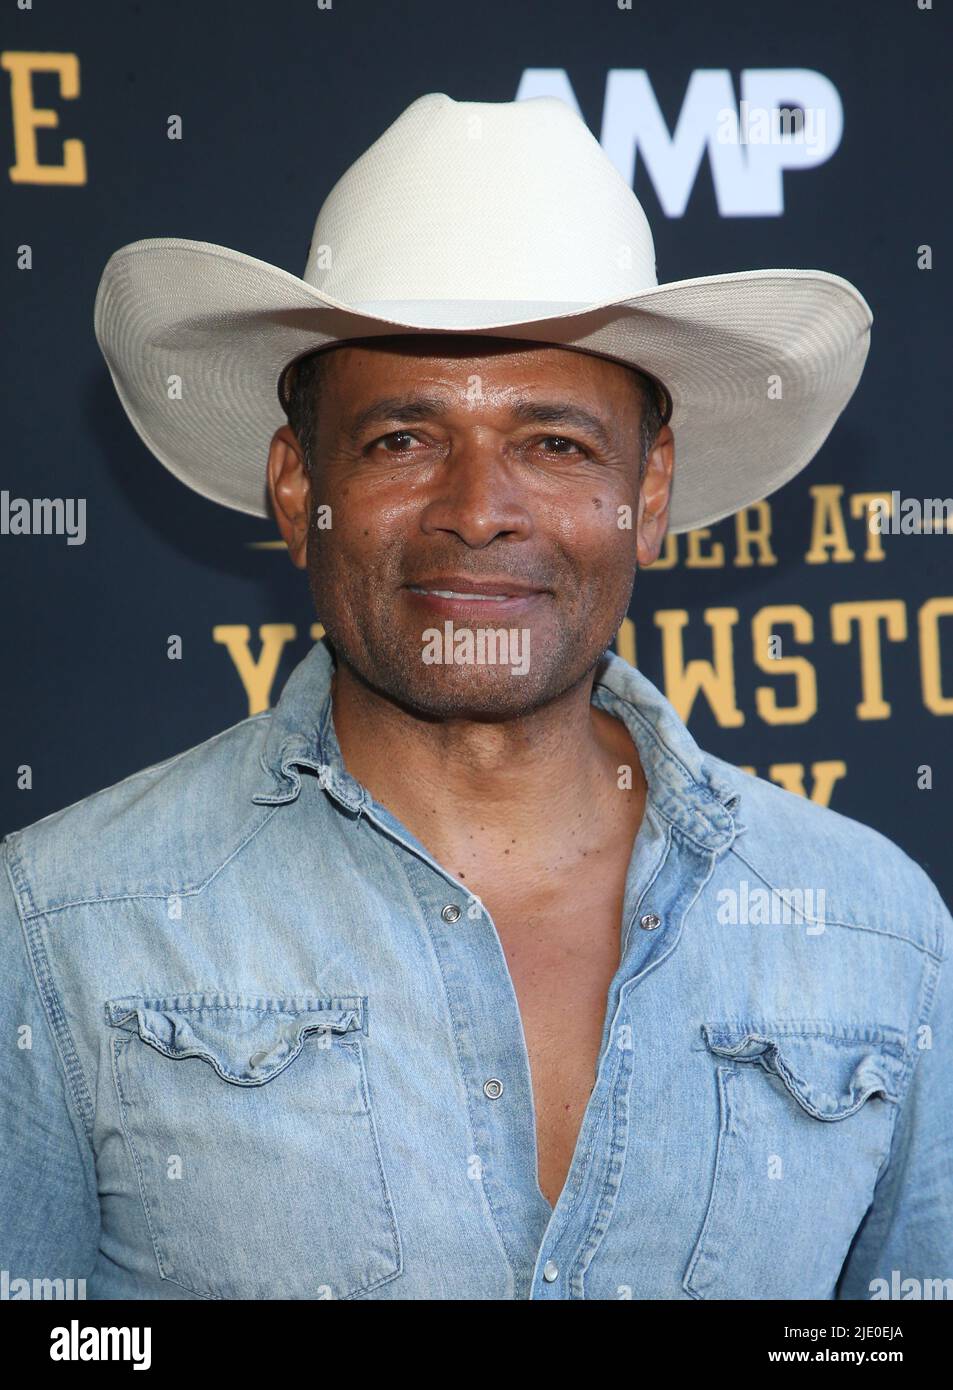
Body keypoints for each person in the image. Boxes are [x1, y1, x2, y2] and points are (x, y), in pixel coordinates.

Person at [2, 93, 949, 1301]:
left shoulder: (874, 934)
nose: (476, 507)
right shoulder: (60, 927)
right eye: (402, 438)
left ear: (648, 490)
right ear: (297, 487)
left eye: (553, 443)